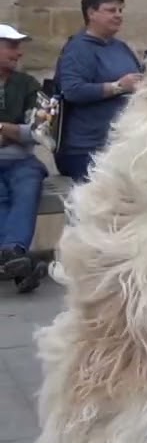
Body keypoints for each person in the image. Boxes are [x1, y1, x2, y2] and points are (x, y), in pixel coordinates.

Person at [53, 0, 143, 181]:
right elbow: (72, 91)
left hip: (122, 145)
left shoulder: (121, 47)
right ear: (91, 13)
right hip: (87, 149)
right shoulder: (78, 48)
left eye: (120, 10)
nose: (118, 15)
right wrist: (118, 86)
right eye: (111, 10)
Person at [0, 25, 51, 293]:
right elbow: (26, 130)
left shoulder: (28, 84)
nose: (18, 53)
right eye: (11, 46)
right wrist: (16, 130)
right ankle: (18, 260)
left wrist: (3, 130)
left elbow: (39, 130)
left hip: (22, 161)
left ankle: (12, 253)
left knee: (27, 187)